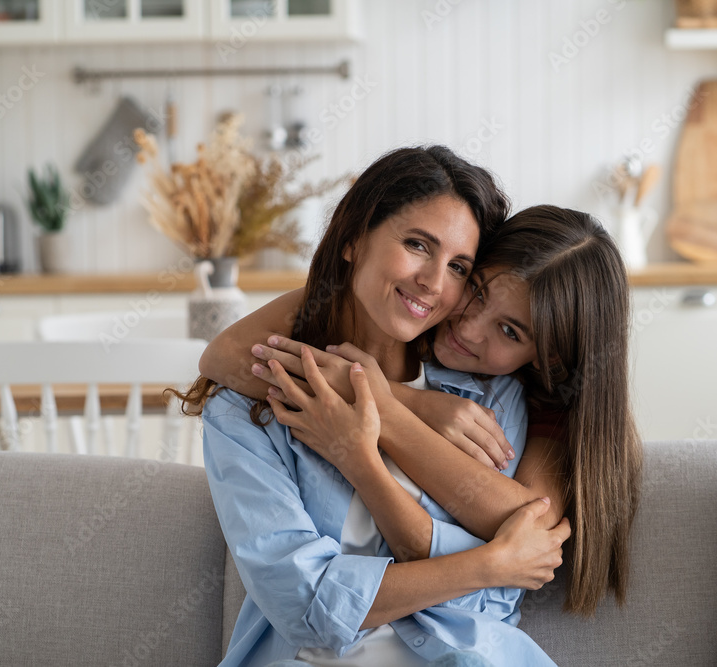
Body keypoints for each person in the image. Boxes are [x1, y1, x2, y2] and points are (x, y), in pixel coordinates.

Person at [176, 146, 571, 667]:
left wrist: (385, 412)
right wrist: (487, 562)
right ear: (353, 239)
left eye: (458, 267)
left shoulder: (488, 397)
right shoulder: (249, 408)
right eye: (415, 244)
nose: (432, 281)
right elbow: (302, 605)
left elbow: (497, 600)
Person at [204, 204, 643, 618]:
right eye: (474, 289)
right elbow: (223, 355)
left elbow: (527, 526)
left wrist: (386, 413)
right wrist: (408, 399)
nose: (468, 329)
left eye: (509, 330)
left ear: (549, 360)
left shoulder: (527, 399)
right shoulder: (398, 319)